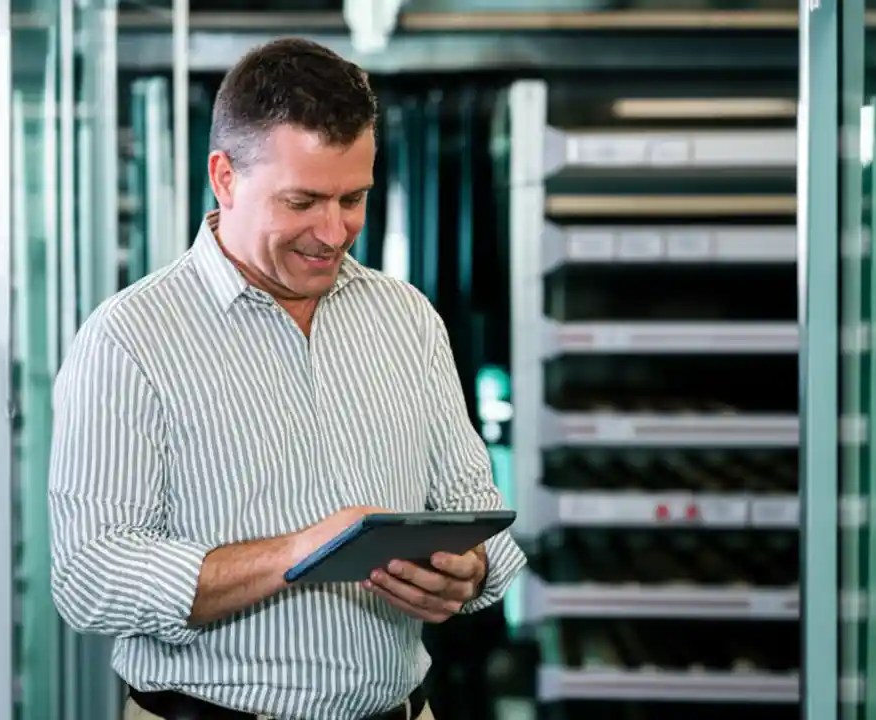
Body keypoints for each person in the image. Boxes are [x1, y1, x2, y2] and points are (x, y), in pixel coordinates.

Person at [48, 37, 526, 720]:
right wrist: (301, 552)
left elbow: (473, 508)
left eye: (353, 198)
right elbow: (90, 578)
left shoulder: (407, 319)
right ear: (224, 177)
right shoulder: (131, 339)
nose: (333, 232)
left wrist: (466, 571)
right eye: (302, 201)